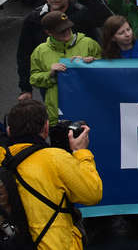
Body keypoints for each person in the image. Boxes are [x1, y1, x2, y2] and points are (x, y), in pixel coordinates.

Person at [0, 99, 102, 249]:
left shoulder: (3, 159)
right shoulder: (55, 159)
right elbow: (93, 193)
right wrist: (81, 152)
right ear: (46, 128)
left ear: (9, 130)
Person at [17, 0, 108, 101]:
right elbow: (24, 54)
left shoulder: (82, 13)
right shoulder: (33, 19)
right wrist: (25, 88)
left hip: (83, 81)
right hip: (51, 85)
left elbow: (105, 21)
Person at [29, 13, 102, 124]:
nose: (67, 32)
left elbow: (107, 72)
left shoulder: (89, 44)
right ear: (48, 32)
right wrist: (50, 74)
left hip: (89, 111)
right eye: (61, 30)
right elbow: (33, 79)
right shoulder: (39, 52)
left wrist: (93, 63)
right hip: (57, 116)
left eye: (68, 27)